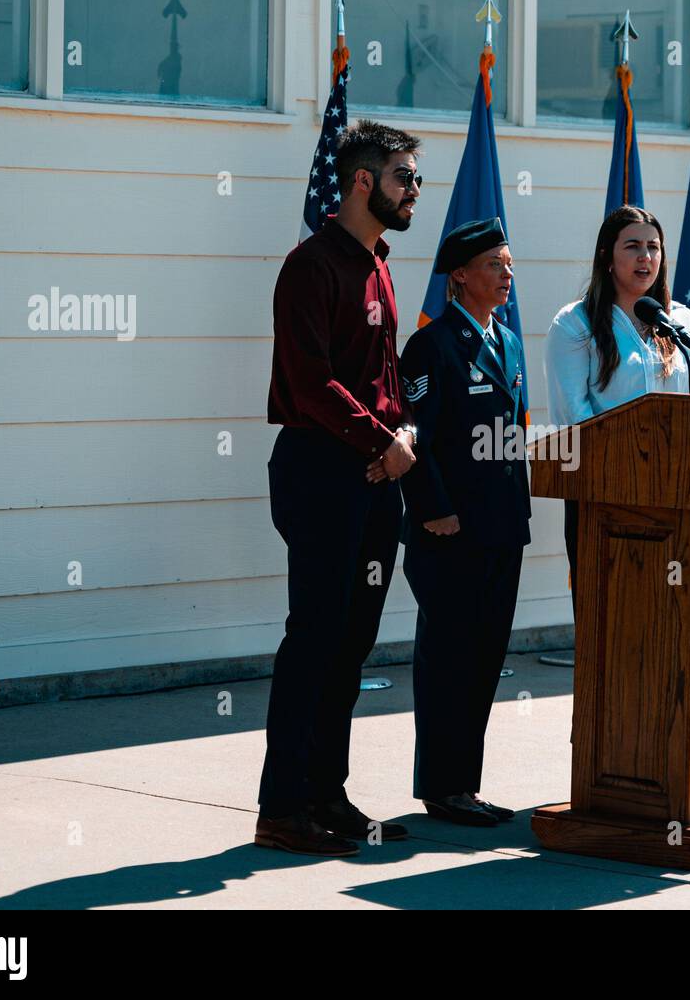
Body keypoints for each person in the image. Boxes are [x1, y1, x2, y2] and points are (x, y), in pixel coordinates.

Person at [255, 119, 423, 856]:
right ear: (363, 182)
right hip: (322, 471)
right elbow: (310, 381)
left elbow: (386, 377)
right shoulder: (311, 266)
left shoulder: (380, 264)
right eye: (403, 178)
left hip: (377, 474)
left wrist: (406, 434)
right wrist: (381, 442)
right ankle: (281, 807)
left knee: (351, 645)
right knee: (314, 638)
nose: (414, 190)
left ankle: (327, 791)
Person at [398, 217, 530, 827]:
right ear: (460, 276)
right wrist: (434, 511)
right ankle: (442, 787)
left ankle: (465, 786)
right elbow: (416, 440)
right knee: (449, 658)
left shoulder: (506, 339)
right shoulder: (431, 346)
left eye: (507, 264)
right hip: (450, 532)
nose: (507, 275)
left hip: (502, 528)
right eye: (494, 266)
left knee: (483, 659)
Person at [543, 204, 690, 613]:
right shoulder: (574, 324)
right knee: (611, 614)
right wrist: (633, 463)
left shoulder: (684, 322)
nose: (646, 258)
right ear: (607, 255)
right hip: (606, 496)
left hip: (679, 491)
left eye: (654, 247)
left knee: (670, 616)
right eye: (633, 246)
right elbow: (575, 419)